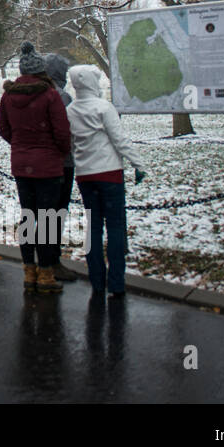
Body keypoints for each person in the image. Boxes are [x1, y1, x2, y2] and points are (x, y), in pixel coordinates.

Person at [66, 65, 147, 298]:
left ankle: (97, 281)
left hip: (85, 175)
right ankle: (117, 282)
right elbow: (119, 139)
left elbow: (70, 144)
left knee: (93, 227)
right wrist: (138, 164)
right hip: (110, 172)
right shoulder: (104, 107)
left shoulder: (70, 110)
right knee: (115, 227)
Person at [0, 42, 72, 294]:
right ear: (42, 71)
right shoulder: (50, 95)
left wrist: (20, 145)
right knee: (48, 219)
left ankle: (29, 270)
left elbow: (3, 129)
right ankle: (46, 274)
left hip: (21, 164)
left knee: (28, 217)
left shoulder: (9, 95)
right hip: (48, 166)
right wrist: (56, 151)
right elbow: (62, 132)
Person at [42, 52, 78, 284]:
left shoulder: (32, 93)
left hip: (33, 162)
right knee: (55, 213)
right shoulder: (61, 97)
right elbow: (66, 131)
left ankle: (36, 263)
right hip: (60, 163)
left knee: (37, 213)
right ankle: (51, 262)